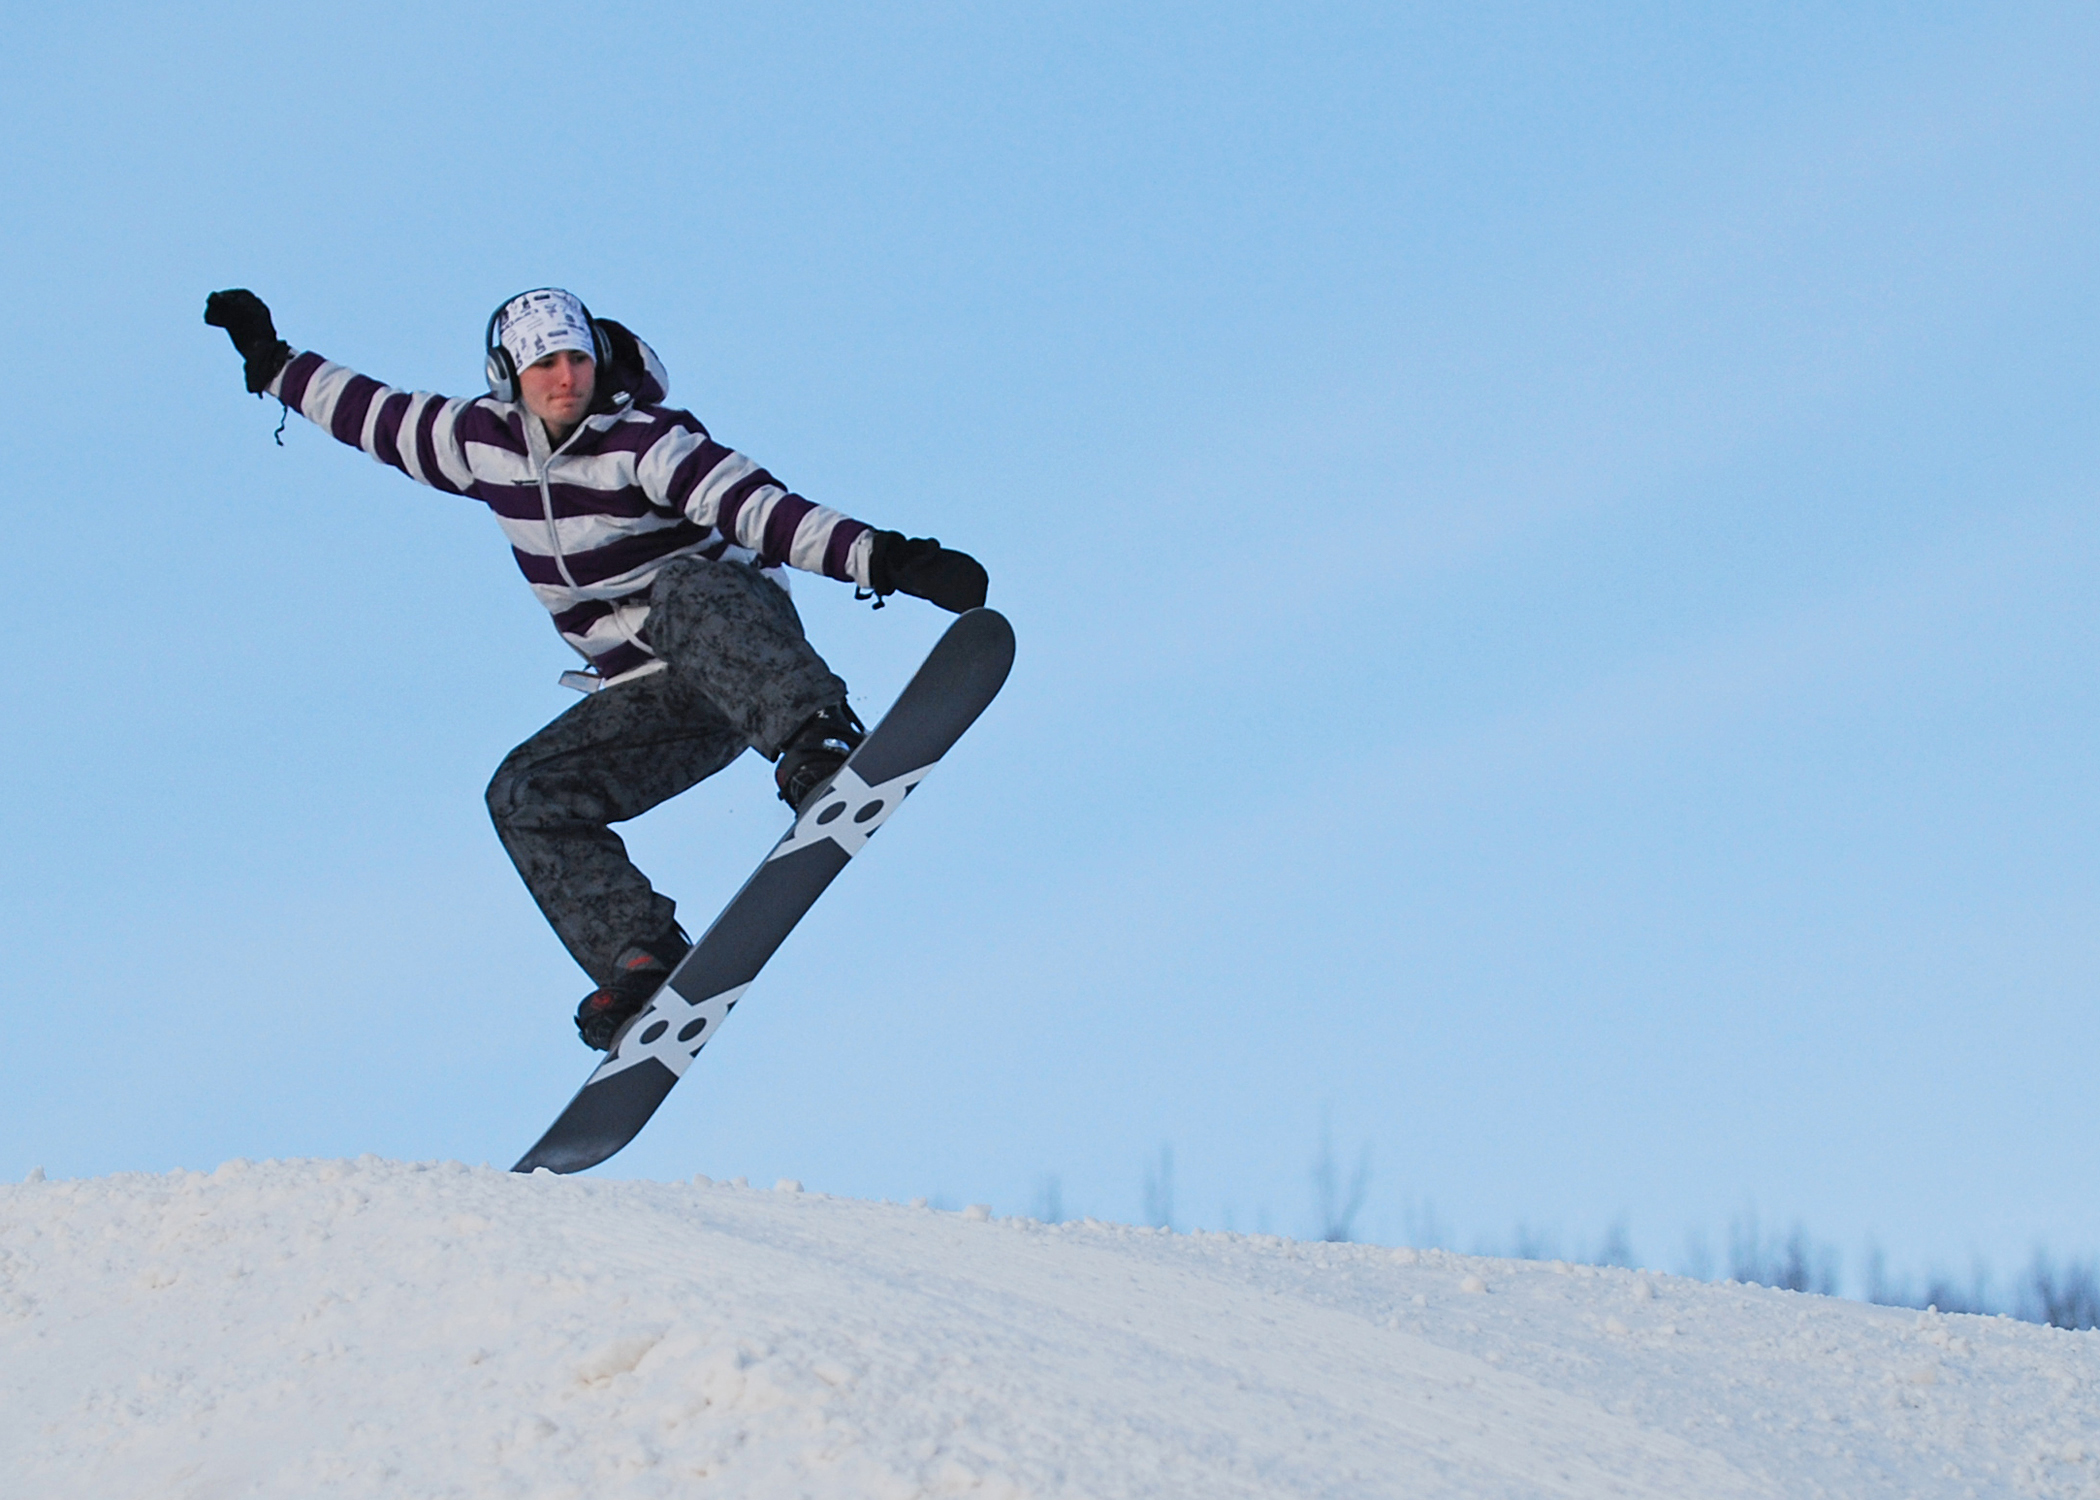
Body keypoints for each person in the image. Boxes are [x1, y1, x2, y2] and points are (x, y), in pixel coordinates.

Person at [204, 287, 987, 1049]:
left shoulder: (643, 441)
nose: (565, 379)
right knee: (523, 792)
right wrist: (273, 361)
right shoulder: (483, 442)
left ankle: (817, 738)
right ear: (508, 377)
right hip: (657, 700)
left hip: (742, 652)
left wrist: (886, 558)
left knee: (680, 585)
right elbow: (377, 418)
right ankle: (637, 954)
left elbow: (758, 508)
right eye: (543, 365)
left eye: (576, 359)